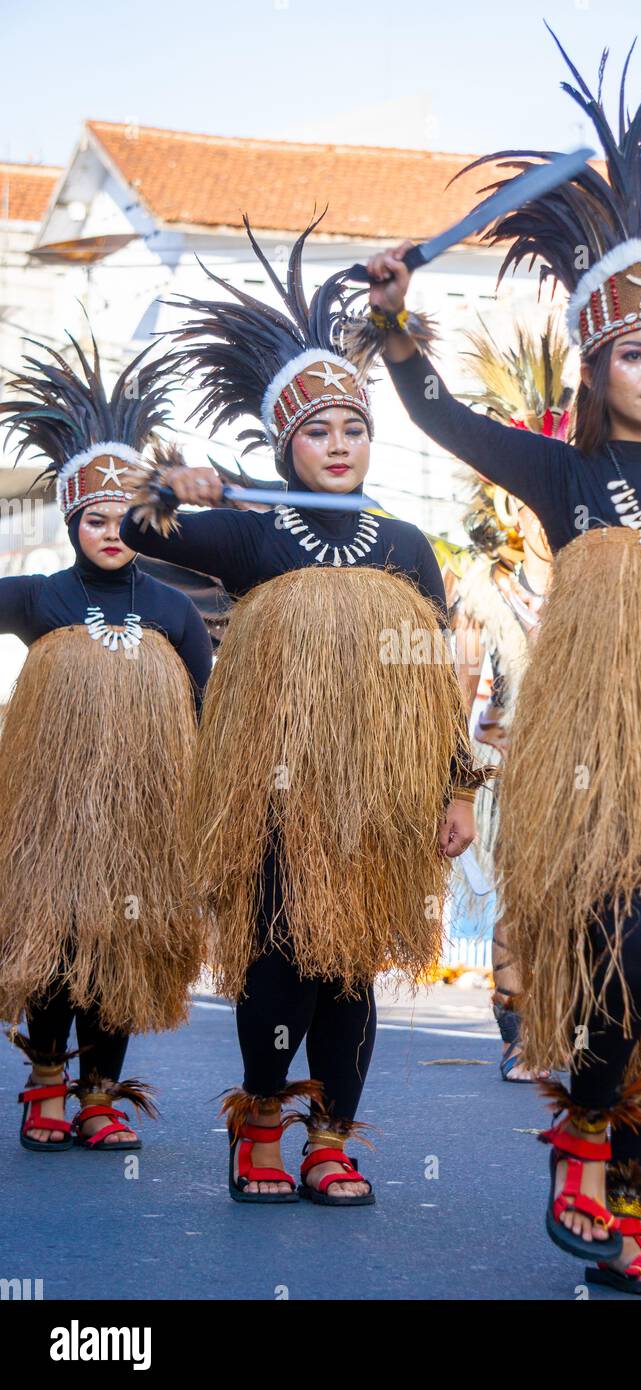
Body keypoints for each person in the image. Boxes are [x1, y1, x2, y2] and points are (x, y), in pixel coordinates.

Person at [361, 33, 641, 1293]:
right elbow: (440, 417)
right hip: (595, 778)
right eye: (629, 354)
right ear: (594, 365)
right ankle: (579, 1134)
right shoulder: (565, 475)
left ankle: (619, 1211)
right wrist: (393, 327)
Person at [120, 214, 481, 1204]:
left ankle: (331, 1136)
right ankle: (261, 1125)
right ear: (286, 444)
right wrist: (170, 483)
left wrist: (457, 786)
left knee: (351, 967)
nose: (336, 442)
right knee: (280, 957)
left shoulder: (405, 541)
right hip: (280, 792)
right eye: (317, 430)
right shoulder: (249, 532)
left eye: (352, 426)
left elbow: (435, 674)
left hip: (382, 792)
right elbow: (132, 524)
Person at [0, 334, 212, 1151]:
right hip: (53, 819)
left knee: (122, 946)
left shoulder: (174, 608)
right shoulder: (38, 597)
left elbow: (205, 706)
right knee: (58, 937)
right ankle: (47, 1080)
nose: (111, 530)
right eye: (94, 517)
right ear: (71, 521)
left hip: (145, 819)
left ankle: (100, 1092)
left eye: (126, 516)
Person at [450, 317, 567, 1081]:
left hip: (595, 772)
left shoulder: (607, 581)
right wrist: (457, 780)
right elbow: (456, 690)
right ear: (510, 511)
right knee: (523, 902)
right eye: (529, 498)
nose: (543, 512)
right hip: (513, 775)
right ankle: (519, 1035)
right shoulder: (485, 595)